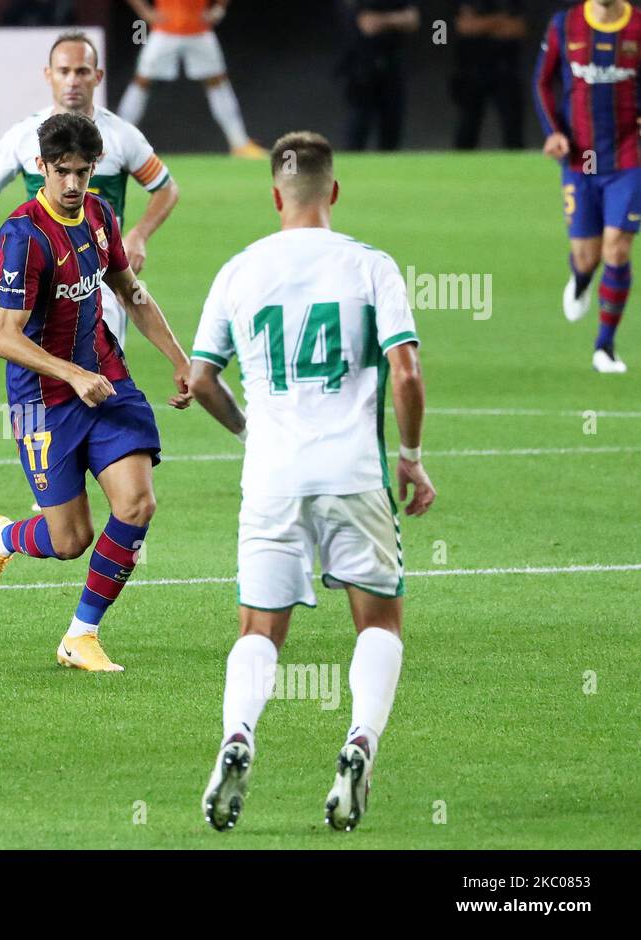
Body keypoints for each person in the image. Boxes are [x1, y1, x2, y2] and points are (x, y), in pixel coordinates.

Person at [189, 131, 435, 832]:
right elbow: (408, 373)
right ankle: (359, 742)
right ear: (333, 191)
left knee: (260, 628)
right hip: (352, 472)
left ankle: (238, 734)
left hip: (271, 474)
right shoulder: (369, 267)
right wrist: (411, 455)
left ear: (275, 196)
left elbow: (200, 379)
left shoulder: (240, 270)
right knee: (379, 620)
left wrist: (248, 431)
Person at [0, 112, 192, 673]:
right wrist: (69, 373)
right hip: (44, 401)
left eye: (82, 173)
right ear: (40, 166)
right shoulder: (22, 235)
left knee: (137, 503)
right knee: (70, 540)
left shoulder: (99, 214)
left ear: (95, 169)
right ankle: (3, 538)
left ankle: (80, 636)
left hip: (105, 381)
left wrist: (180, 359)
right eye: (61, 172)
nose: (72, 185)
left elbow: (129, 291)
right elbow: (4, 337)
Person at [0, 30, 179, 351]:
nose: (73, 80)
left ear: (97, 76)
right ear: (49, 75)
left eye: (82, 71)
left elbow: (165, 188)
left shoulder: (121, 136)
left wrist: (139, 235)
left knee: (101, 368)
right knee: (47, 371)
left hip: (99, 275)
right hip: (43, 273)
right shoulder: (24, 135)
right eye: (64, 71)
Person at [534, 0, 640, 373]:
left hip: (630, 158)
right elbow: (543, 81)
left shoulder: (638, 27)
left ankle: (604, 347)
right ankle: (580, 278)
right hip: (581, 158)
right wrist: (554, 133)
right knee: (586, 256)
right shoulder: (565, 25)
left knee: (617, 249)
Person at [116, 0, 265, 158]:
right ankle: (118, 142)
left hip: (199, 31)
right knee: (141, 82)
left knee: (218, 83)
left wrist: (219, 8)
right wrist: (145, 12)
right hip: (165, 31)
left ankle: (240, 144)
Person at [337, 0, 420, 152]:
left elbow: (412, 19)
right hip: (361, 67)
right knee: (357, 130)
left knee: (391, 131)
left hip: (392, 65)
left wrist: (382, 19)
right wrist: (395, 19)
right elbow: (366, 24)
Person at [450, 1, 528, 150]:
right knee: (467, 129)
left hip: (506, 69)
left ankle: (514, 171)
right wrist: (499, 21)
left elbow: (518, 28)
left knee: (513, 131)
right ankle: (460, 171)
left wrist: (478, 23)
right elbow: (463, 27)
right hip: (470, 70)